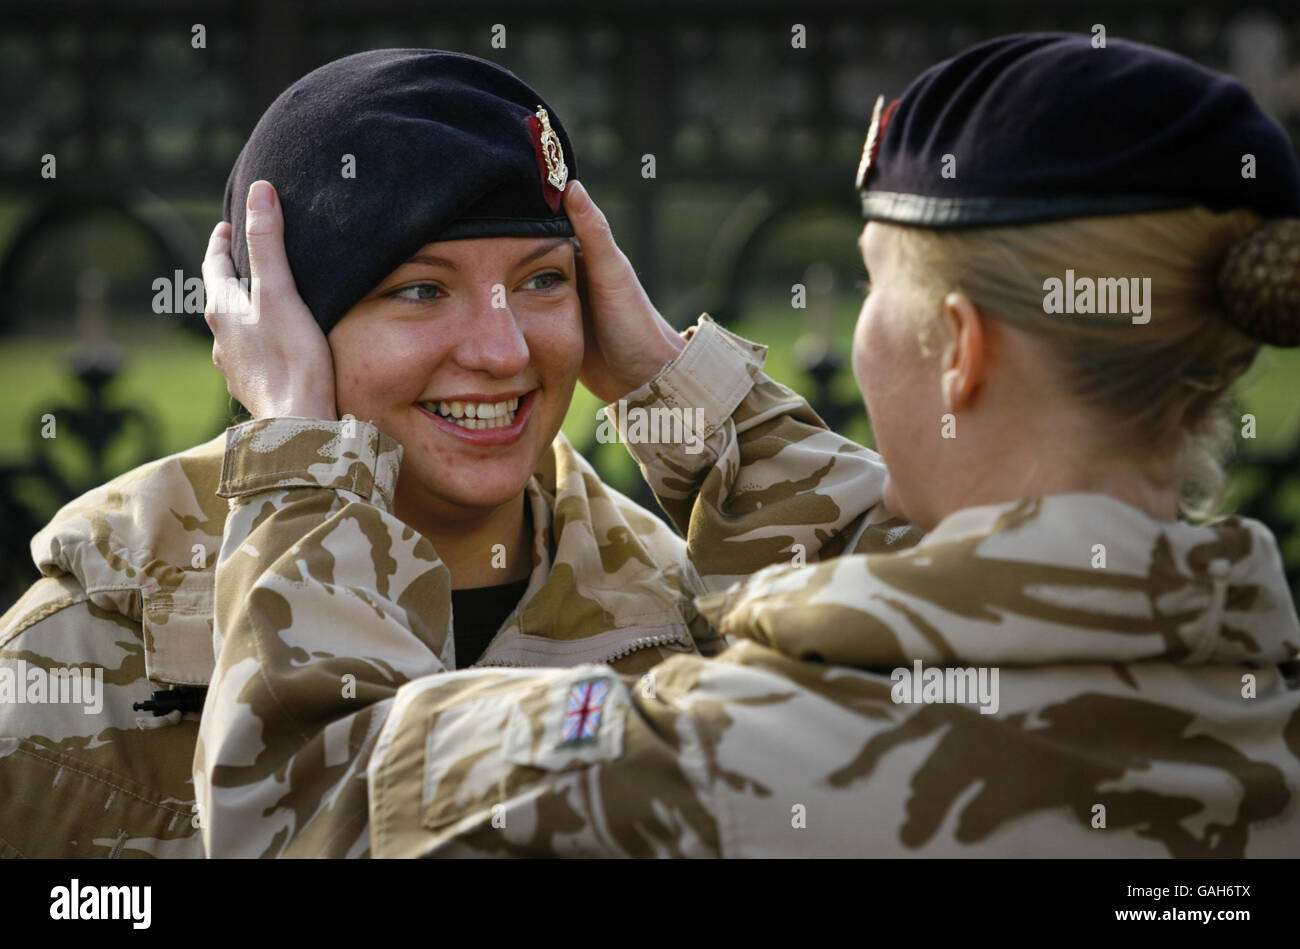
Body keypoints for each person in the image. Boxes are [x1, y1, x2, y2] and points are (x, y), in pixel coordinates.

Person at [199, 33, 1300, 857]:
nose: (495, 348)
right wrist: (662, 384)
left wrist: (297, 454)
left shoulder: (730, 757)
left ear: (958, 348)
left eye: (874, 290)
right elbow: (962, 578)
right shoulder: (1252, 690)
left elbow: (305, 801)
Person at [3, 48, 853, 858]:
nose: (503, 349)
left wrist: (670, 376)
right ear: (281, 325)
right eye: (420, 289)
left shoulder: (698, 623)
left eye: (541, 280)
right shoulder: (79, 658)